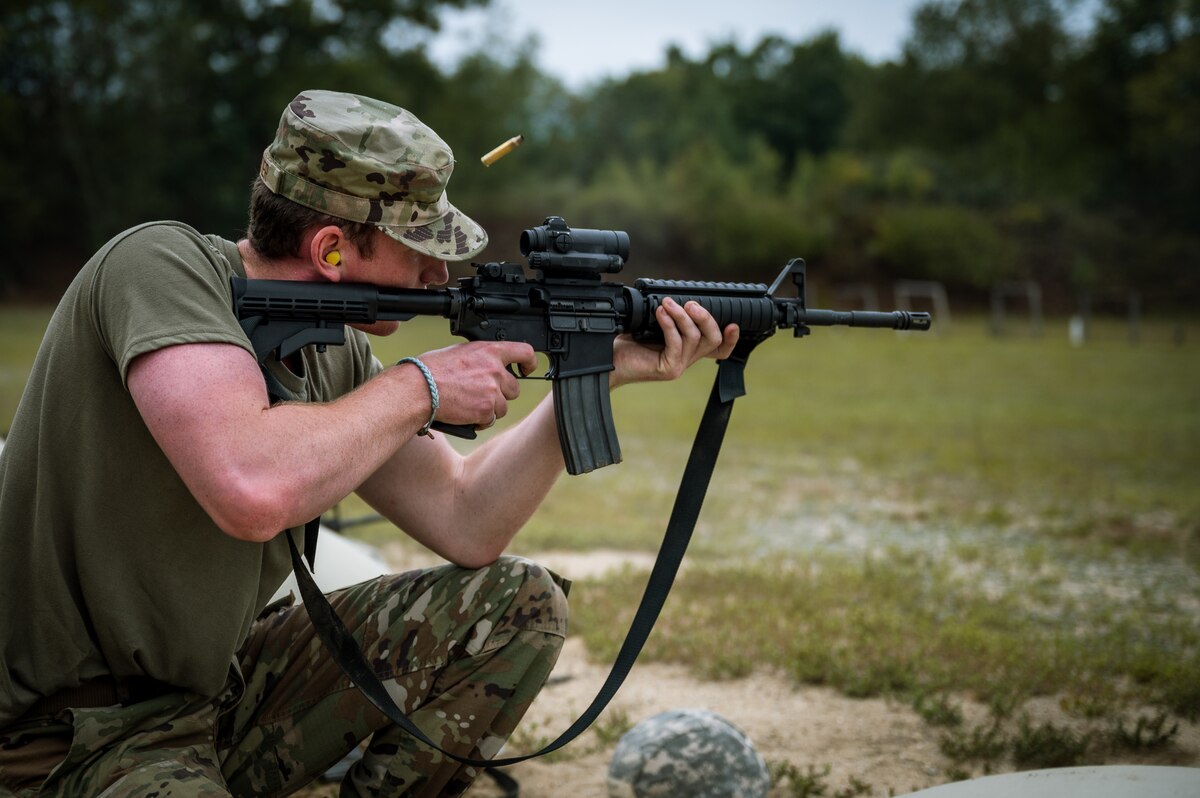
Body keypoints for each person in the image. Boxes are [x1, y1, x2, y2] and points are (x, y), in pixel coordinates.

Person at [0, 89, 738, 797]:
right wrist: (423, 383)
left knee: (518, 604)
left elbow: (465, 516)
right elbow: (251, 489)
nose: (438, 273)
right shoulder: (158, 266)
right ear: (328, 250)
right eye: (418, 246)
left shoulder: (334, 352)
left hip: (219, 702)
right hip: (71, 737)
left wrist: (593, 373)